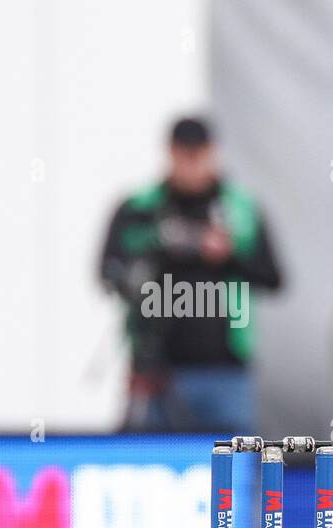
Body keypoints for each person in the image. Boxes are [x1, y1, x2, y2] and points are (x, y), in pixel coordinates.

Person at [98, 117, 283, 433]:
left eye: (198, 155)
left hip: (225, 370)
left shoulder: (241, 209)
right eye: (184, 155)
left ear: (213, 153)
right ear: (169, 153)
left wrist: (227, 255)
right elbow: (109, 272)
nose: (191, 165)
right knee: (153, 466)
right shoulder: (140, 208)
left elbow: (273, 277)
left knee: (232, 469)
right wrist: (157, 244)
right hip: (156, 367)